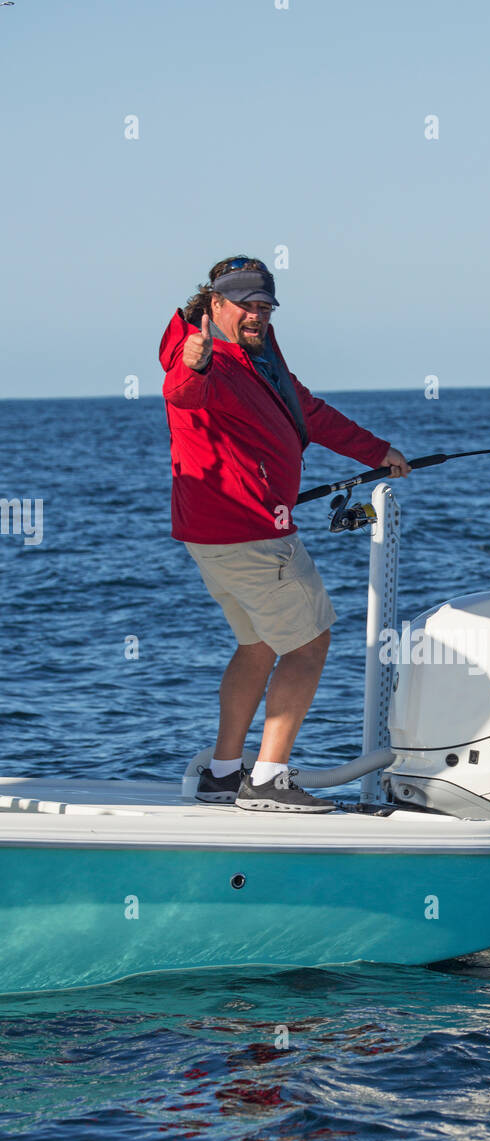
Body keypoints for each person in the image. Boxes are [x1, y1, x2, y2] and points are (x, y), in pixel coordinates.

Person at [159, 255, 410, 812]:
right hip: (247, 533)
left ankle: (224, 774)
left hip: (219, 534)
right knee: (309, 641)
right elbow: (181, 394)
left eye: (265, 306)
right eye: (245, 305)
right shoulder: (206, 358)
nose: (256, 315)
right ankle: (269, 780)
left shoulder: (261, 355)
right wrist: (193, 365)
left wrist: (378, 452)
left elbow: (309, 414)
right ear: (214, 304)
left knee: (259, 644)